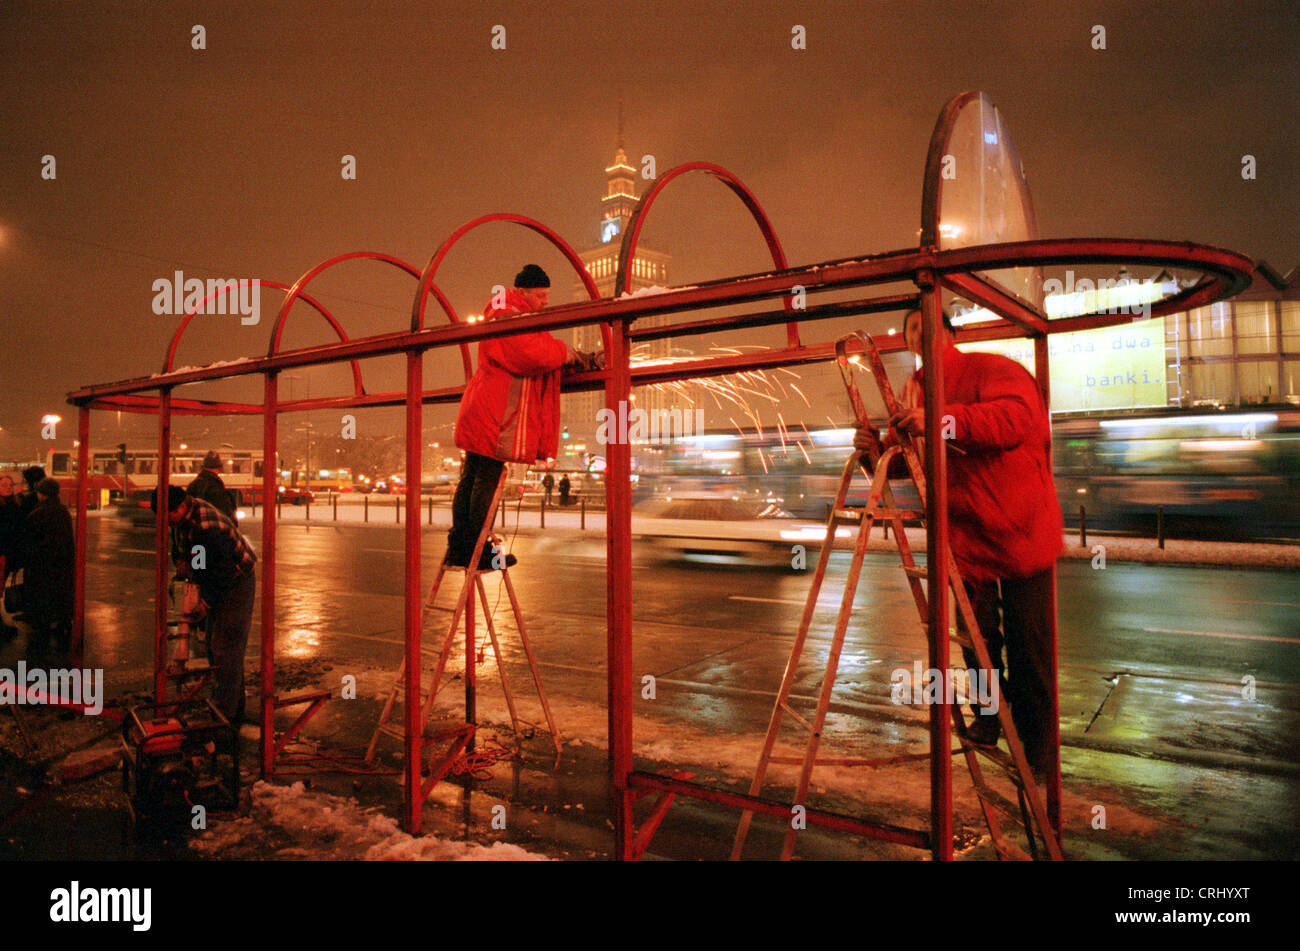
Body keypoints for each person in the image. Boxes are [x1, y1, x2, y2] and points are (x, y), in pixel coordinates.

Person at [879, 306, 1063, 778]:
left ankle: (1037, 752)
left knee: (1029, 647)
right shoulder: (915, 392)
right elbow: (909, 463)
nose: (917, 332)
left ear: (948, 330)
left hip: (1021, 533)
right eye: (910, 328)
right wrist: (876, 453)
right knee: (976, 644)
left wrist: (939, 420)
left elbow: (1016, 420)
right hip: (966, 542)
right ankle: (988, 720)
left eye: (924, 322)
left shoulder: (991, 369)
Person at [447, 264, 585, 570]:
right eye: (541, 295)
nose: (546, 301)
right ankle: (477, 551)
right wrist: (564, 351)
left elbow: (533, 350)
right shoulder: (507, 312)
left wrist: (561, 356)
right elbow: (529, 354)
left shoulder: (506, 310)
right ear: (523, 292)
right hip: (496, 412)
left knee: (472, 476)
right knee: (486, 479)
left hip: (487, 407)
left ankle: (460, 546)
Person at [153, 486, 257, 721]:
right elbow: (189, 554)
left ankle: (224, 716)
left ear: (180, 507)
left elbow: (220, 572)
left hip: (236, 580)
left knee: (225, 647)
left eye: (168, 516)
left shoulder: (205, 528)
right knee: (214, 645)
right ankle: (232, 704)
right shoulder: (182, 521)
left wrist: (205, 604)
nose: (167, 522)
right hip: (218, 575)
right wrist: (181, 561)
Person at [21, 478, 76, 660]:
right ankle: (63, 625)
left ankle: (41, 635)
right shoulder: (63, 511)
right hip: (62, 565)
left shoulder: (38, 513)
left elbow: (29, 541)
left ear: (42, 494)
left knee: (42, 599)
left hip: (41, 565)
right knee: (59, 596)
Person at [0, 475, 25, 641]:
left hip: (9, 554)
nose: (8, 487)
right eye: (4, 485)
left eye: (10, 485)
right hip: (2, 553)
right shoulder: (12, 506)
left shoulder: (16, 505)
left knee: (2, 587)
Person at [187, 450, 236, 519]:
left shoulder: (193, 485)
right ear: (220, 468)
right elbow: (226, 514)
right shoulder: (217, 487)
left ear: (202, 467)